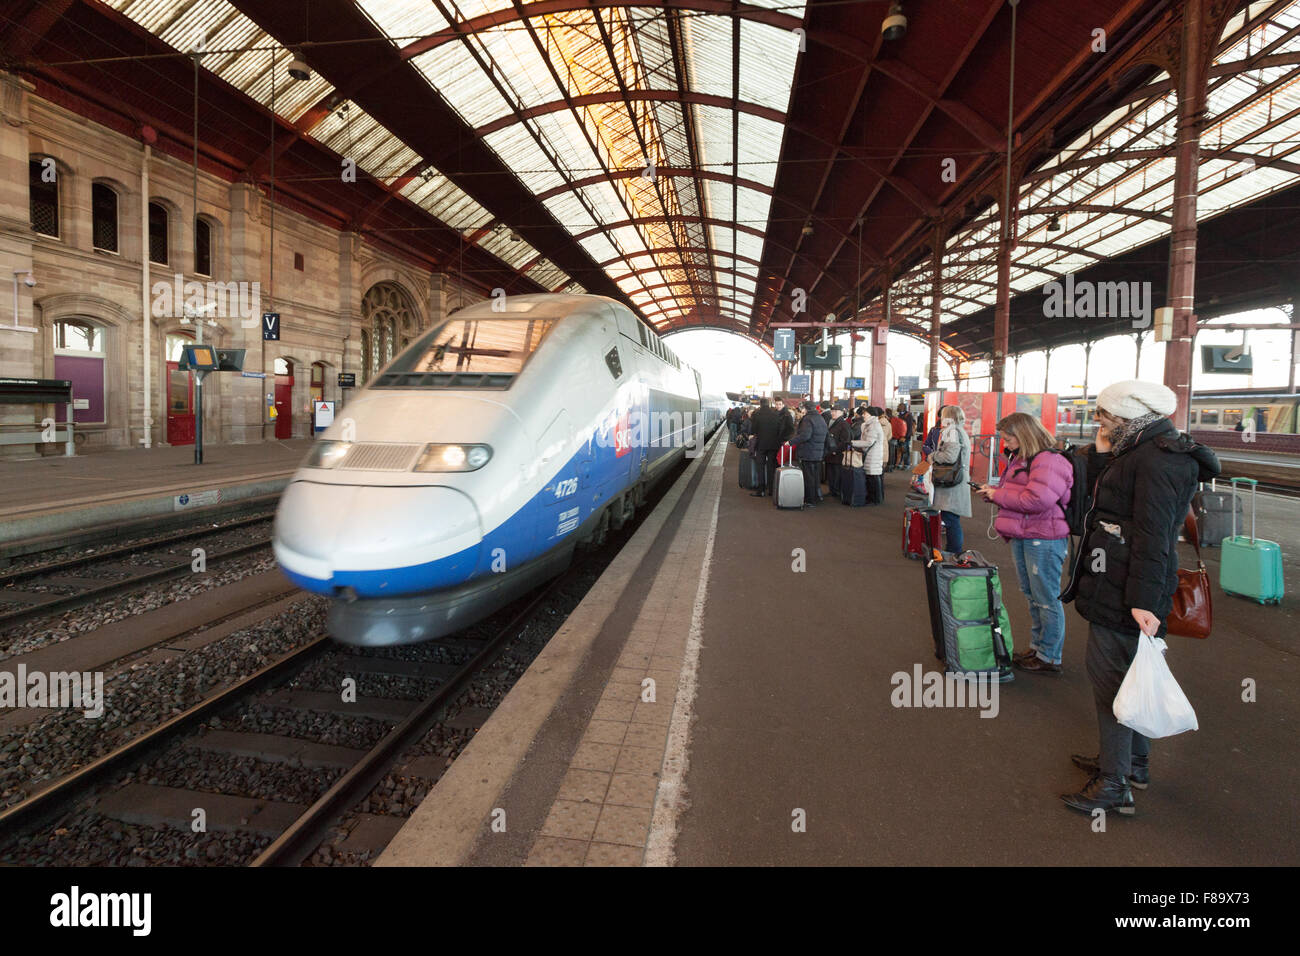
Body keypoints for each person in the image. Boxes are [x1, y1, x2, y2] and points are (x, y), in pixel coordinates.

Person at [1059, 381, 1219, 816]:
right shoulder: (1139, 450)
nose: (1099, 421)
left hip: (1128, 588)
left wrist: (1144, 602)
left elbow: (1154, 538)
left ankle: (1114, 785)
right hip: (1117, 580)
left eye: (1104, 415)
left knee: (1112, 684)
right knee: (1128, 678)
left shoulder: (1158, 460)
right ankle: (1135, 764)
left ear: (1127, 414)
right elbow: (1108, 498)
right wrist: (1100, 449)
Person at [974, 412, 1074, 675]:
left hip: (1043, 537)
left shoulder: (1049, 461)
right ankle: (1039, 648)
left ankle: (1049, 656)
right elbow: (1027, 494)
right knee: (1034, 596)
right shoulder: (1029, 458)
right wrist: (995, 494)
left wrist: (998, 494)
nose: (1005, 444)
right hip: (1029, 533)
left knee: (1045, 598)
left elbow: (1037, 500)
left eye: (1008, 438)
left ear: (1024, 434)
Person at [930, 405, 971, 553]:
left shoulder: (952, 431)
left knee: (951, 519)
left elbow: (949, 456)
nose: (941, 418)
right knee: (951, 518)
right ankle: (953, 550)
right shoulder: (960, 430)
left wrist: (933, 456)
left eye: (943, 415)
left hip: (952, 481)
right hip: (957, 478)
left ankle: (953, 552)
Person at [792, 401, 828, 505]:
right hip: (818, 452)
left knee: (808, 477)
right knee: (816, 476)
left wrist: (791, 442)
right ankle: (817, 496)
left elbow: (805, 436)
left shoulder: (808, 419)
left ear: (805, 409)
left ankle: (810, 500)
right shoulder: (820, 418)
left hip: (808, 452)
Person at [849, 405, 887, 504]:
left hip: (873, 454)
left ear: (871, 414)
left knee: (873, 477)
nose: (863, 415)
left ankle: (875, 499)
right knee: (872, 476)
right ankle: (875, 498)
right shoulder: (870, 424)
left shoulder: (873, 425)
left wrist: (853, 442)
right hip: (871, 453)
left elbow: (869, 442)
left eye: (865, 413)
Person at [749, 399, 782, 498]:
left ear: (760, 404)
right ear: (769, 404)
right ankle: (771, 490)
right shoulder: (775, 414)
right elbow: (779, 429)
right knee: (771, 467)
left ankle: (761, 490)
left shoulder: (757, 414)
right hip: (773, 445)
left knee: (760, 467)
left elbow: (753, 430)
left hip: (761, 445)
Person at [824, 407, 850, 496]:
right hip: (831, 453)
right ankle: (832, 491)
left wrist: (836, 450)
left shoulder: (843, 424)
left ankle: (836, 491)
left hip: (837, 454)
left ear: (841, 413)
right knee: (831, 474)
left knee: (836, 473)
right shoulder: (833, 422)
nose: (832, 413)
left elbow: (845, 440)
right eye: (832, 411)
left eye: (835, 411)